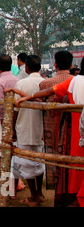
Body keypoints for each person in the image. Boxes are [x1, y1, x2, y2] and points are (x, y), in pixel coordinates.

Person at [16, 57, 84, 207]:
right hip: (73, 131)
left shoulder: (75, 82)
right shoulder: (73, 80)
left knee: (75, 166)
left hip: (75, 133)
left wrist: (29, 96)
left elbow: (49, 91)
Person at [7, 55, 45, 206]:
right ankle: (40, 193)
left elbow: (15, 109)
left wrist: (12, 127)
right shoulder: (44, 82)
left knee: (25, 161)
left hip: (24, 126)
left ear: (27, 68)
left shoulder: (21, 83)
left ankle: (34, 195)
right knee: (40, 160)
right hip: (41, 128)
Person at [39, 50, 74, 193]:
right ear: (71, 65)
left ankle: (54, 184)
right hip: (70, 126)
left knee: (51, 155)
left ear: (55, 64)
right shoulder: (74, 81)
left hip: (51, 125)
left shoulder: (46, 83)